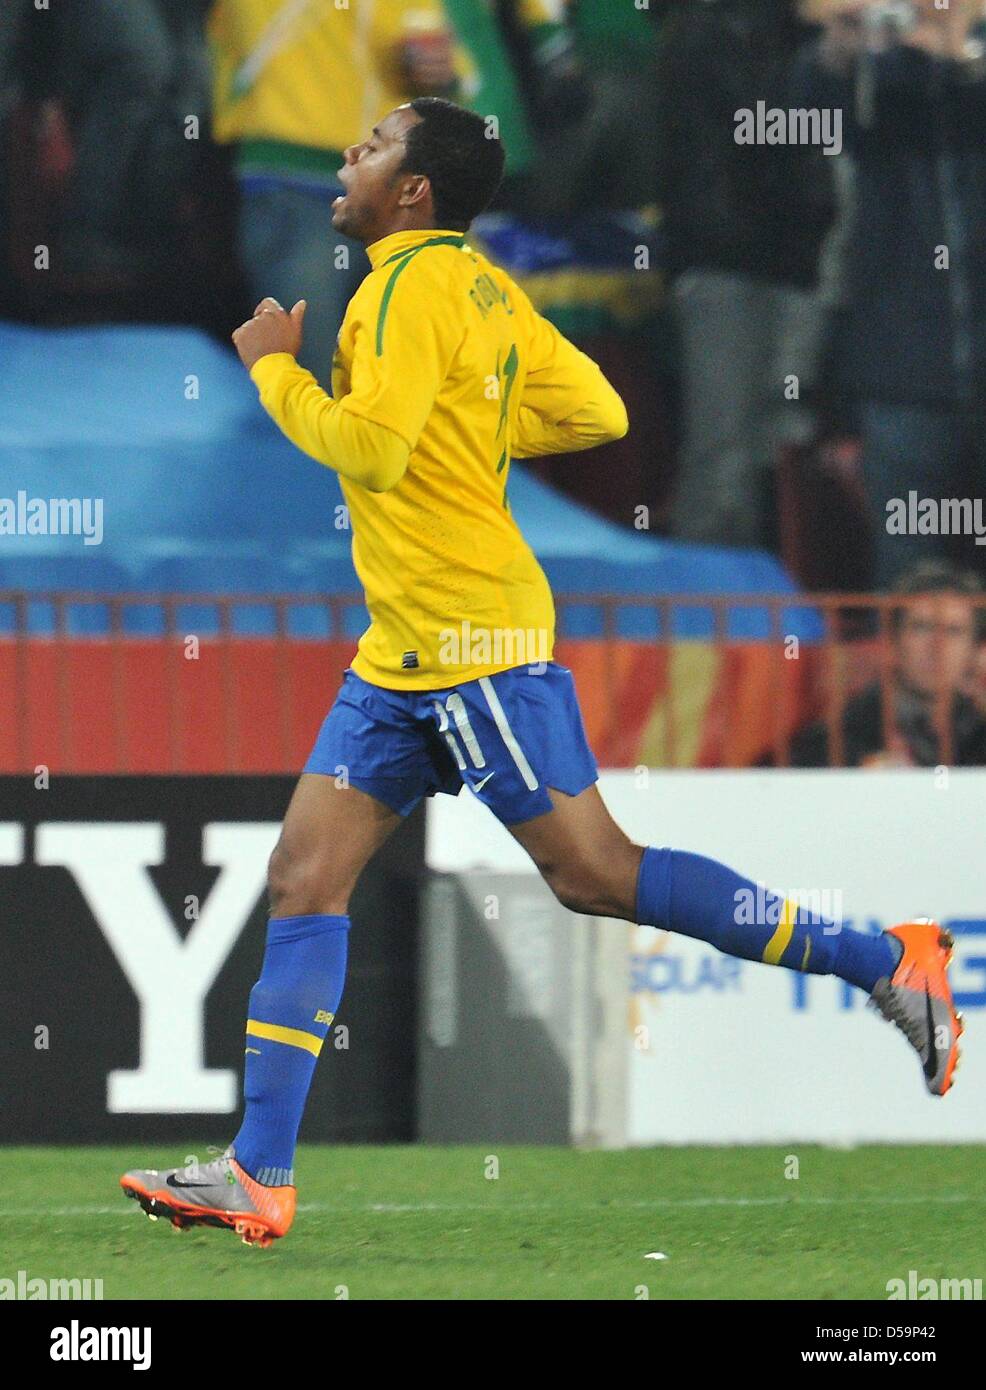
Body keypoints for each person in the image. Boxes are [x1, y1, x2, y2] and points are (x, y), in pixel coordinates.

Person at [120, 99, 962, 1247]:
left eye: (371, 145)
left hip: (470, 638)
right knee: (301, 876)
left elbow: (365, 446)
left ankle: (886, 961)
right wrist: (472, 423)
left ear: (413, 191)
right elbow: (596, 408)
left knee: (595, 874)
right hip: (402, 649)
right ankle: (256, 1174)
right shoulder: (479, 288)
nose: (348, 155)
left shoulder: (406, 288)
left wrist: (275, 371)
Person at [793, 561, 986, 766]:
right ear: (893, 641)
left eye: (954, 631)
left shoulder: (977, 725)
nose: (938, 646)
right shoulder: (852, 727)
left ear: (975, 650)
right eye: (922, 627)